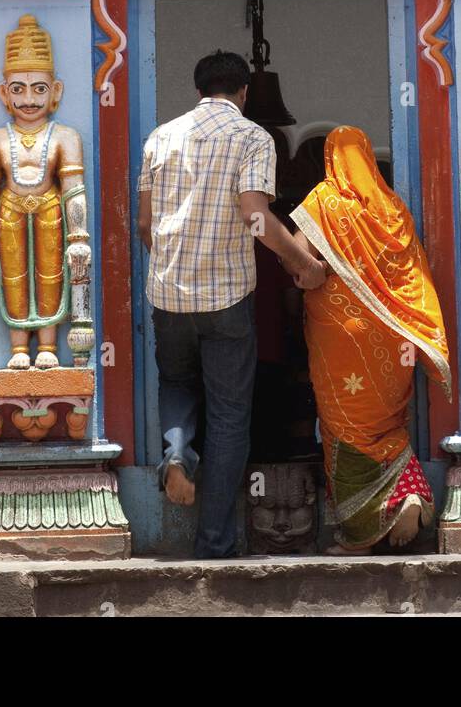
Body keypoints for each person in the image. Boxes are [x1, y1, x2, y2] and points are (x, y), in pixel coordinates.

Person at [137, 50, 326, 558]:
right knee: (228, 415)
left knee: (176, 382)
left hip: (168, 294)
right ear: (243, 93)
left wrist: (173, 266)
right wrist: (300, 265)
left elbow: (143, 224)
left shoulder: (161, 136)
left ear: (199, 89)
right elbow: (256, 217)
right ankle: (214, 543)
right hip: (227, 299)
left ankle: (176, 454)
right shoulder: (252, 137)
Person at [290, 126, 451, 554]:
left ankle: (360, 536)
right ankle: (408, 492)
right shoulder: (393, 209)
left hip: (339, 336)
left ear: (331, 161)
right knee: (386, 426)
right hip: (392, 340)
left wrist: (309, 275)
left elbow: (297, 255)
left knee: (345, 430)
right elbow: (413, 278)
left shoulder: (323, 200)